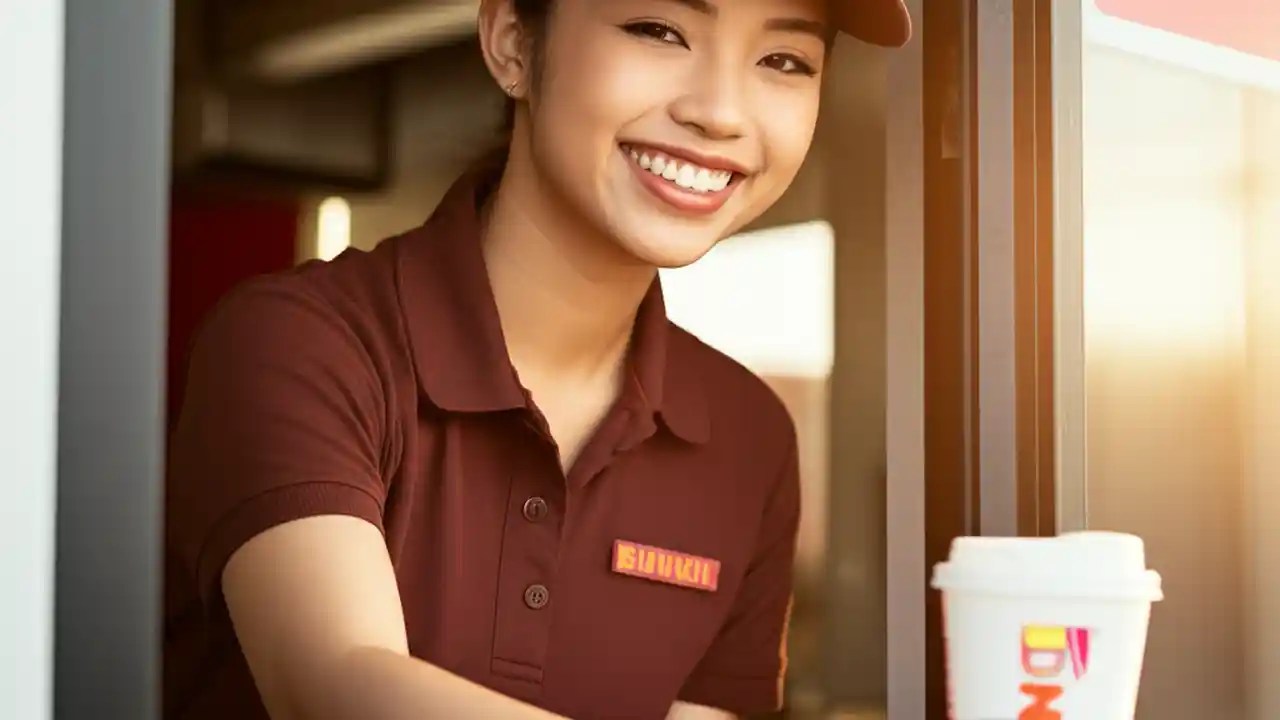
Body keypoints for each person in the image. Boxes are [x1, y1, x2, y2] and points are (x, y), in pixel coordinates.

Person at [163, 0, 911, 718]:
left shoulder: (749, 440)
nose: (719, 111)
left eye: (783, 58)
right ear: (512, 44)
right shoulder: (304, 342)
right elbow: (334, 684)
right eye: (658, 29)